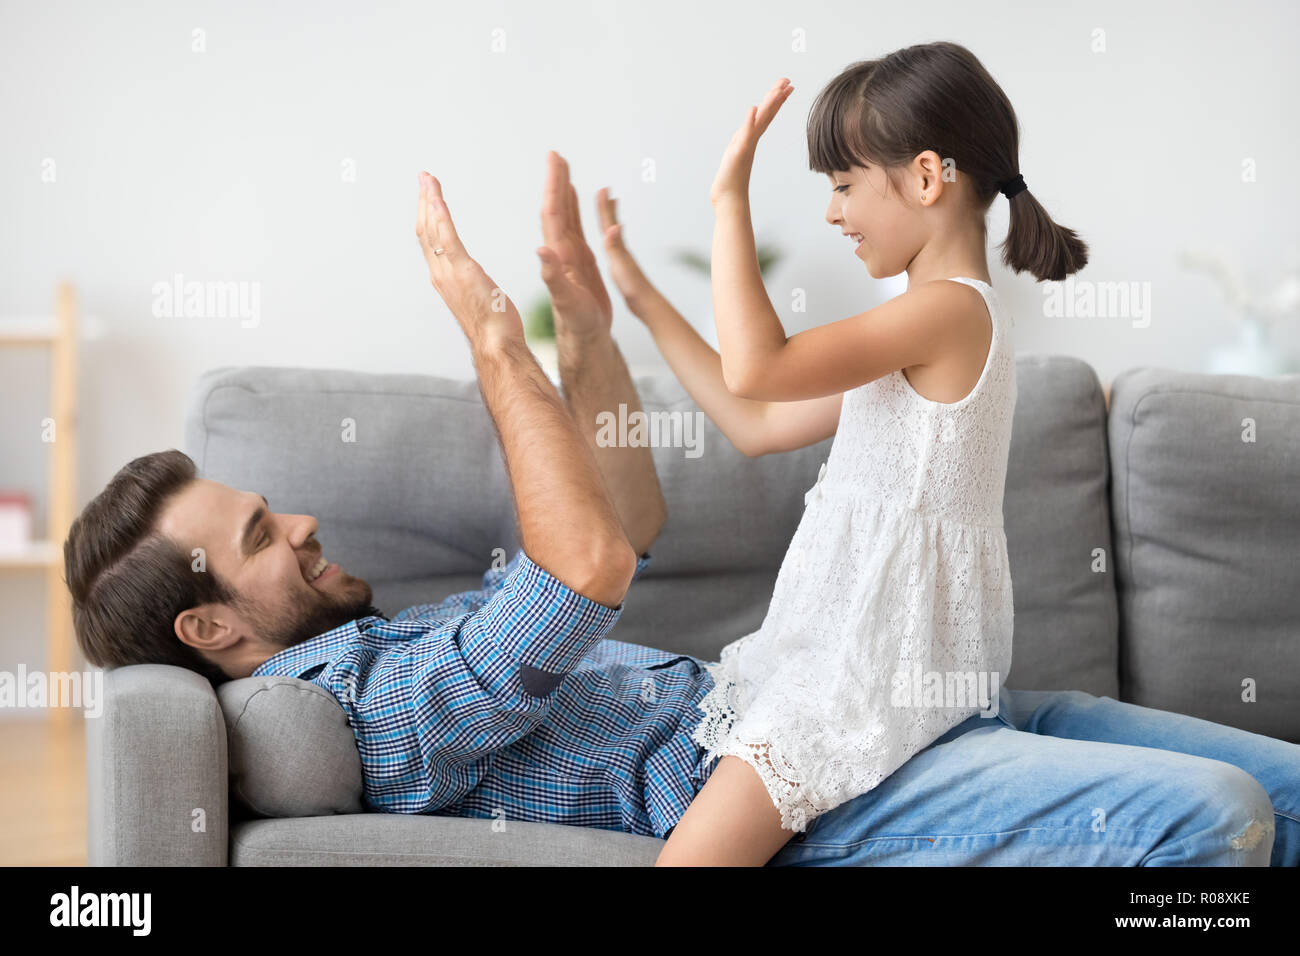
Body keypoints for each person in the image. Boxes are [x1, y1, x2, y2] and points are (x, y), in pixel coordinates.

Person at [64, 150, 1296, 869]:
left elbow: (629, 513)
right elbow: (588, 564)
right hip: (810, 779)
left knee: (1280, 788)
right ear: (211, 629)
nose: (306, 523)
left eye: (276, 507)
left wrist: (585, 332)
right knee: (1213, 827)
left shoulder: (404, 638)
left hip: (868, 691)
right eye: (262, 539)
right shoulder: (367, 708)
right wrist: (493, 336)